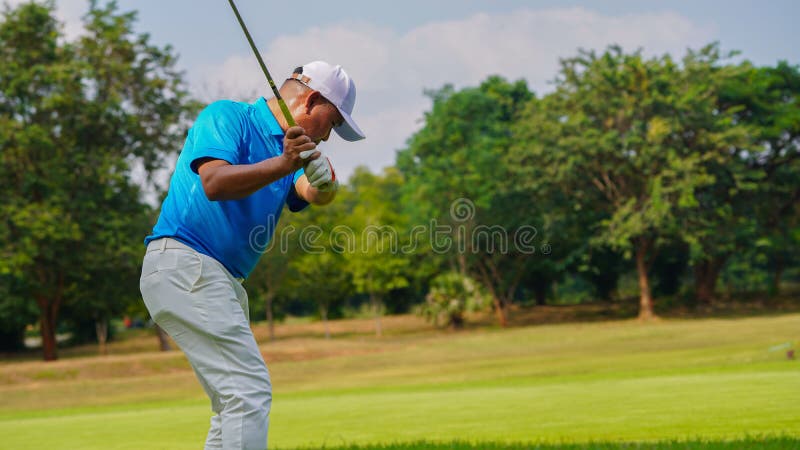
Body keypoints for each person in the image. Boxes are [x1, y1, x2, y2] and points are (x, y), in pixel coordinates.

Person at [139, 61, 365, 450]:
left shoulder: (289, 151)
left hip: (214, 278)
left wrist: (323, 186)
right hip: (186, 263)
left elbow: (307, 192)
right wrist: (285, 163)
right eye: (331, 123)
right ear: (311, 101)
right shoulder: (227, 116)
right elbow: (213, 182)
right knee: (248, 390)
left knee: (231, 402)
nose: (327, 137)